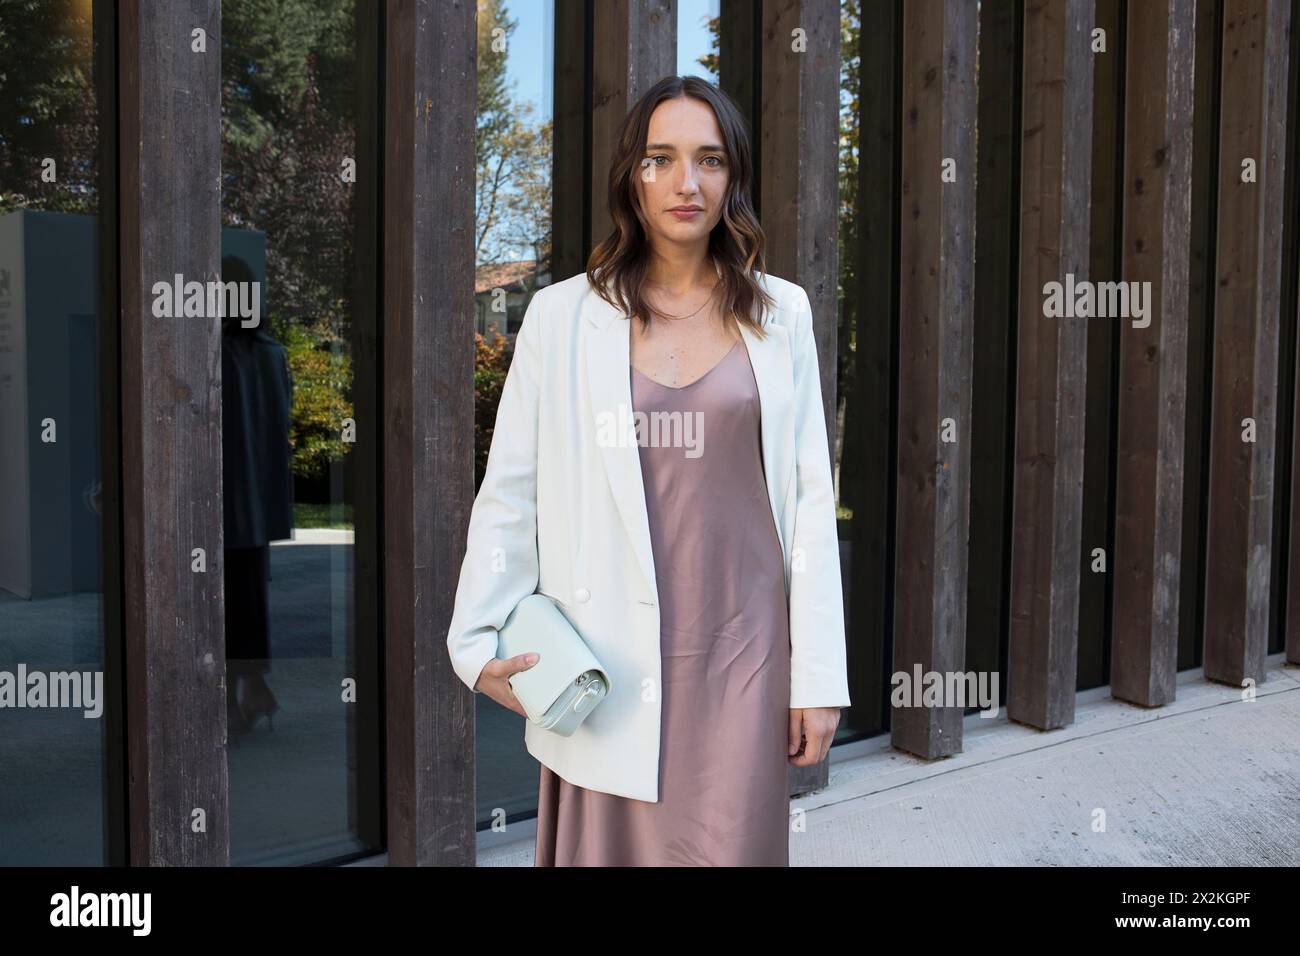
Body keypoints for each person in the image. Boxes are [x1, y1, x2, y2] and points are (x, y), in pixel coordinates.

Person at [446, 75, 850, 866]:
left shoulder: (782, 314)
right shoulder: (562, 318)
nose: (685, 183)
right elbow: (510, 490)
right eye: (660, 159)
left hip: (745, 656)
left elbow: (809, 501)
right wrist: (477, 636)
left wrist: (818, 675)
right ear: (631, 175)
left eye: (709, 160)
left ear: (733, 178)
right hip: (607, 654)